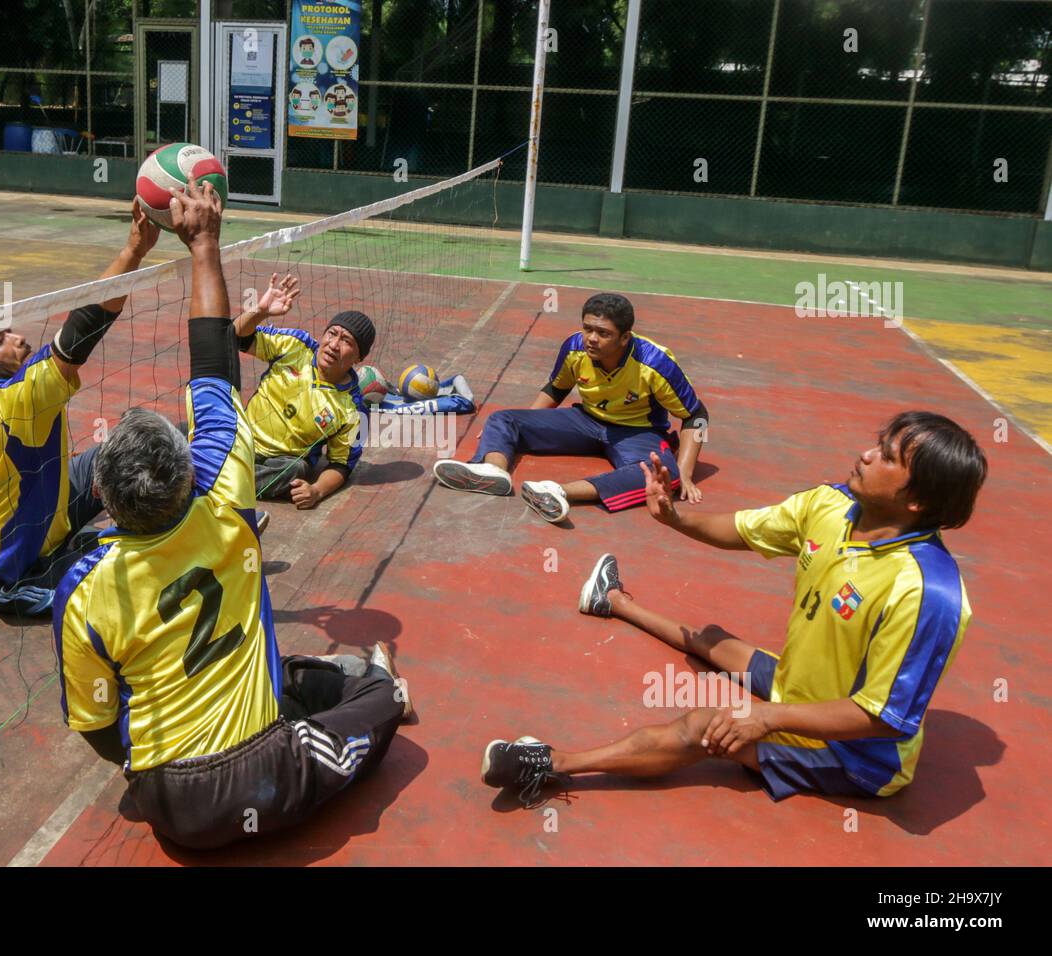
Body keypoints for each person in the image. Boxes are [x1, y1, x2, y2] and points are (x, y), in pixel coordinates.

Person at [54, 177, 408, 850]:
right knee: (383, 699)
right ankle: (353, 700)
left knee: (293, 668)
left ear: (104, 495)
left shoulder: (80, 590)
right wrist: (205, 245)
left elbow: (98, 729)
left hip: (167, 800)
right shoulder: (223, 499)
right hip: (258, 776)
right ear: (187, 474)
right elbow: (217, 364)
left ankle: (283, 702)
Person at [481, 411, 986, 806]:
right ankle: (612, 600)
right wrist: (673, 518)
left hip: (854, 753)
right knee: (714, 639)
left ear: (917, 499)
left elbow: (884, 719)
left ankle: (552, 763)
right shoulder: (831, 506)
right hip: (799, 684)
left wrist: (766, 719)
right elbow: (742, 530)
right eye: (879, 442)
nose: (867, 453)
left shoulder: (927, 593)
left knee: (703, 727)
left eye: (888, 457)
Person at [0, 203, 159, 617]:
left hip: (48, 507)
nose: (17, 338)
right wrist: (133, 251)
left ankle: (95, 537)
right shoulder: (9, 403)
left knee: (145, 441)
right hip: (16, 570)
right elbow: (80, 332)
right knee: (143, 575)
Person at [432, 292, 708, 524]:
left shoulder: (655, 363)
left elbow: (696, 415)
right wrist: (520, 427)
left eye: (603, 333)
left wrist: (685, 474)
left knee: (664, 476)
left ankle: (557, 492)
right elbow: (556, 389)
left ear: (625, 338)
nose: (591, 338)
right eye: (588, 328)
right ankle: (493, 472)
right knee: (503, 419)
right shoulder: (574, 347)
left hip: (638, 432)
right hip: (587, 421)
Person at [233, 272, 373, 510]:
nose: (334, 345)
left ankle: (218, 475)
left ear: (359, 357)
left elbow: (342, 465)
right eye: (332, 333)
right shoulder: (295, 346)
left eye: (347, 341)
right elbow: (236, 336)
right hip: (240, 437)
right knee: (186, 429)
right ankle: (228, 475)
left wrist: (316, 491)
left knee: (296, 472)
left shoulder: (353, 410)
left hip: (283, 462)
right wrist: (261, 311)